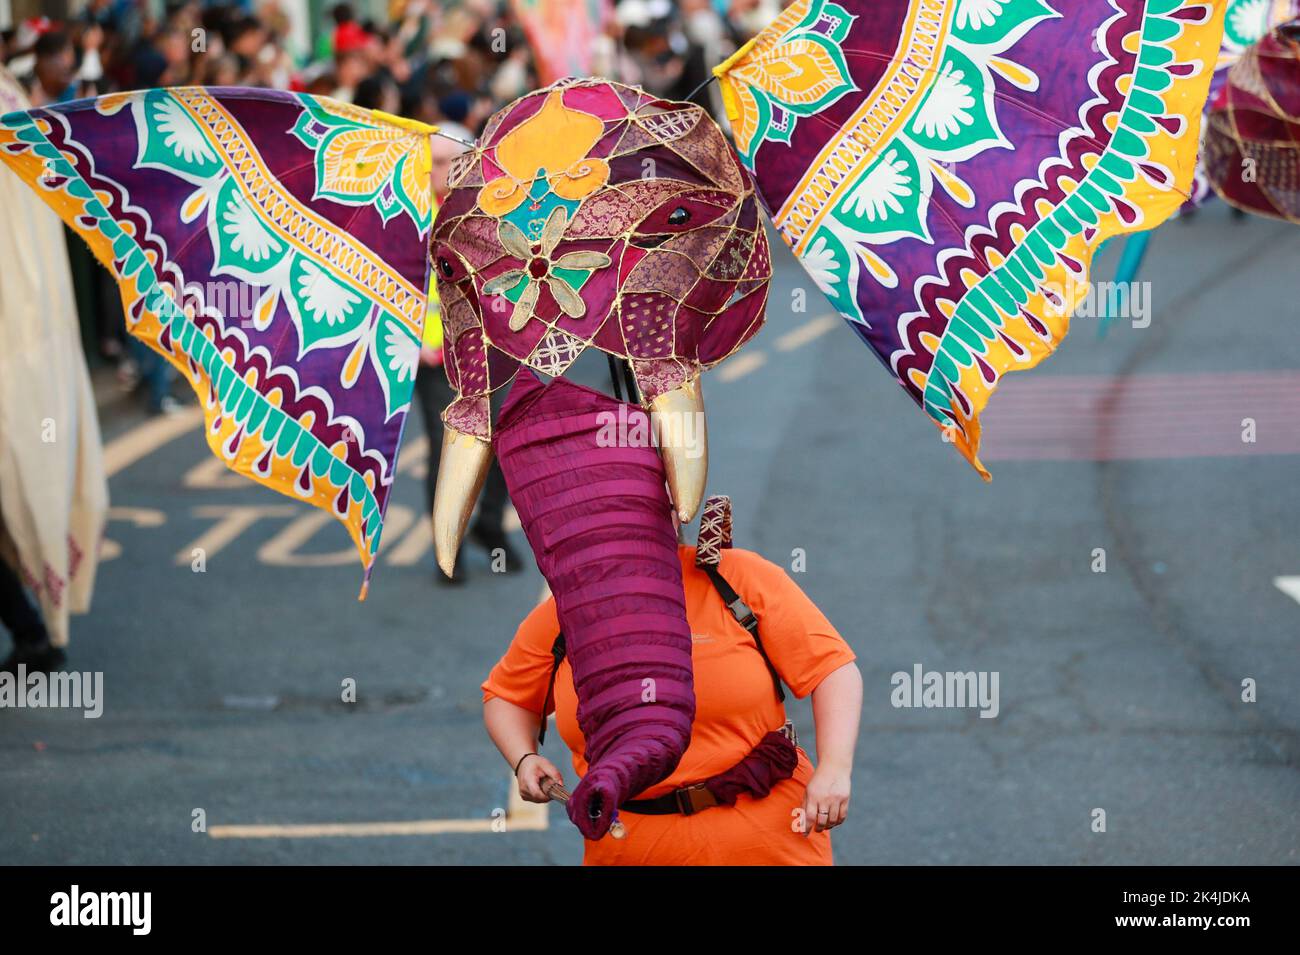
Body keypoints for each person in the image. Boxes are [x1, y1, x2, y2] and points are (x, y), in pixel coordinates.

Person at [482, 519, 863, 865]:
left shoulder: (737, 578)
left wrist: (834, 768)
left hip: (769, 843)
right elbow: (508, 696)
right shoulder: (567, 611)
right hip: (629, 849)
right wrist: (523, 758)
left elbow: (832, 669)